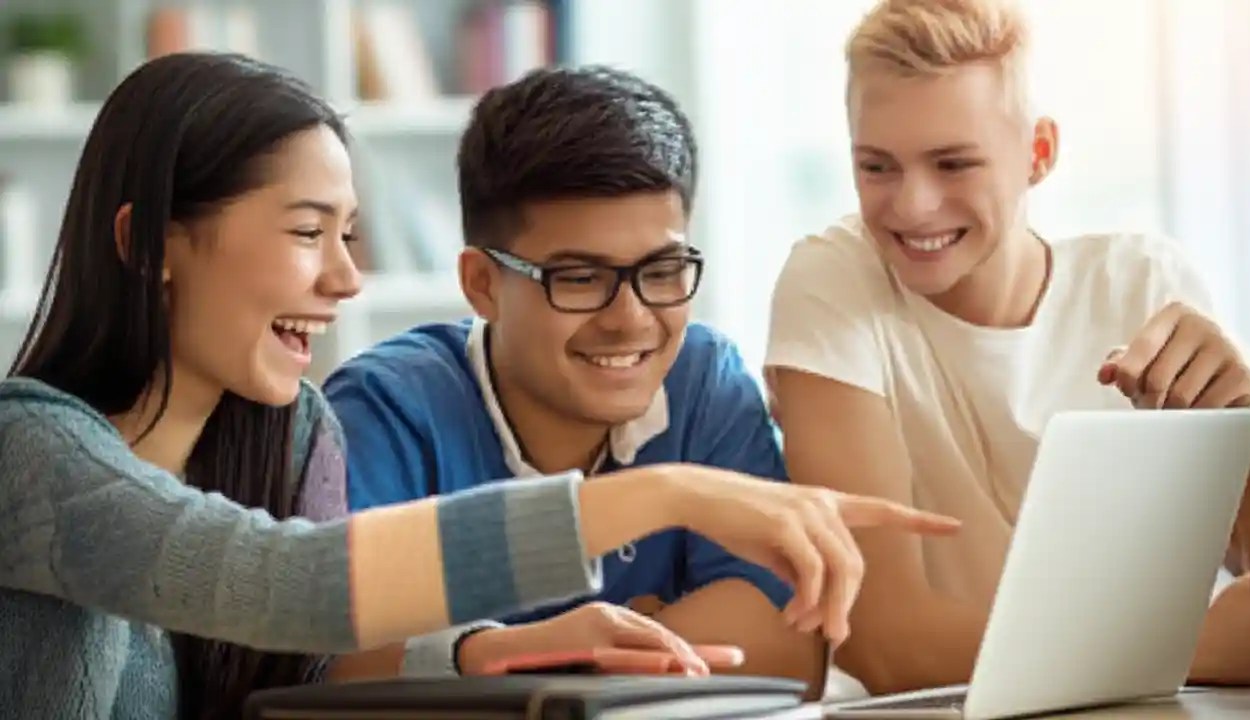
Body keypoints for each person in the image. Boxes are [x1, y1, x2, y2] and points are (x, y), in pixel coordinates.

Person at [0, 51, 961, 720]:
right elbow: (289, 585)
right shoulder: (30, 451)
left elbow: (311, 670)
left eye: (349, 236)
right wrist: (661, 496)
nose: (345, 281)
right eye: (306, 234)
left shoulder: (286, 442)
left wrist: (478, 653)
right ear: (147, 245)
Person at [319, 65, 922, 693]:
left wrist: (533, 659)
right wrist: (603, 643)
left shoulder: (701, 381)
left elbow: (786, 641)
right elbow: (331, 662)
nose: (629, 319)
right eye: (579, 279)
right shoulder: (388, 407)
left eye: (662, 271)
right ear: (481, 285)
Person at [764, 0, 1250, 696]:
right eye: (877, 166)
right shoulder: (833, 283)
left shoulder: (1144, 283)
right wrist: (1189, 643)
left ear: (1038, 153)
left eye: (953, 164)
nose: (912, 206)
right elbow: (884, 644)